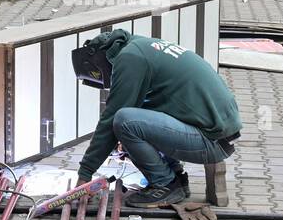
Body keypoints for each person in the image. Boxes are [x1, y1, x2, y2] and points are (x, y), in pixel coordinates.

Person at [73, 30, 241, 210]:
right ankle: (176, 178)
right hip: (220, 131)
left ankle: (165, 184)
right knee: (136, 114)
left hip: (210, 140)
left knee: (124, 121)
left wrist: (85, 173)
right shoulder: (139, 45)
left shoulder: (129, 59)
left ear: (101, 61)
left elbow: (112, 118)